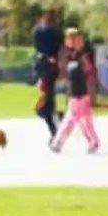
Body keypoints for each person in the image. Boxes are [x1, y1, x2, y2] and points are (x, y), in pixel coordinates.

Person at [51, 29, 99, 154]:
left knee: (71, 118)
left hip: (81, 92)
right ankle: (93, 141)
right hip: (74, 91)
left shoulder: (82, 55)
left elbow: (90, 72)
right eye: (69, 38)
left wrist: (91, 89)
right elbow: (65, 71)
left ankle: (59, 142)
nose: (71, 41)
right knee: (85, 120)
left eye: (74, 38)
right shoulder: (67, 55)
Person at [34, 12, 64, 140]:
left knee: (47, 102)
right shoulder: (38, 31)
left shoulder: (54, 31)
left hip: (49, 69)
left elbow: (58, 45)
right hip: (44, 67)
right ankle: (57, 118)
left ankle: (55, 126)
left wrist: (54, 58)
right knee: (46, 103)